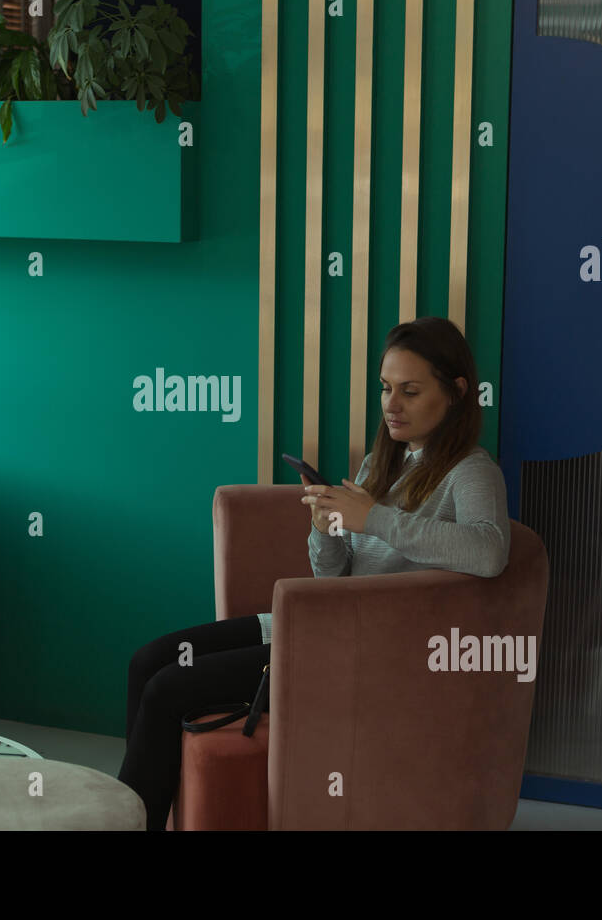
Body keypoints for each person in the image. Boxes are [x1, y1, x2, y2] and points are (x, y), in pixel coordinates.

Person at [116, 316, 512, 830]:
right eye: (386, 389)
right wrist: (326, 529)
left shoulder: (471, 470)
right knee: (147, 661)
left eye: (410, 392)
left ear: (457, 392)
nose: (391, 405)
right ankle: (133, 817)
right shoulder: (380, 464)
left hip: (364, 651)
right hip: (322, 626)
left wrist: (373, 517)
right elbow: (333, 578)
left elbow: (490, 552)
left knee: (168, 688)